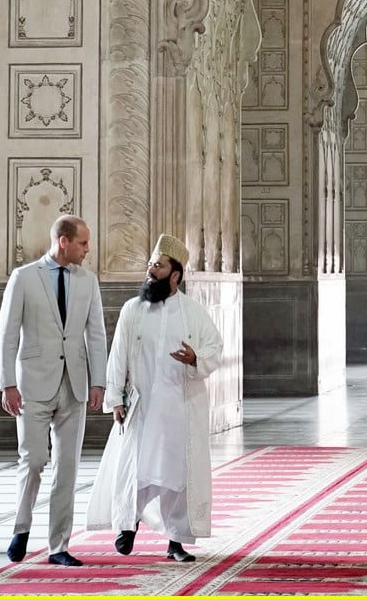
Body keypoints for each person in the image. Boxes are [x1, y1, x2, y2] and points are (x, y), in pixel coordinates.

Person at [86, 234, 224, 563]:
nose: (151, 271)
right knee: (135, 468)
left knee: (176, 475)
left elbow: (215, 349)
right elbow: (118, 356)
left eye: (158, 266)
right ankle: (127, 525)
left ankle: (175, 541)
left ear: (175, 275)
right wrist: (116, 398)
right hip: (142, 406)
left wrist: (194, 359)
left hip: (181, 408)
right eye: (150, 264)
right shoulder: (133, 310)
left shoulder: (192, 312)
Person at [0, 214, 107, 566]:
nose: (87, 250)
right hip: (31, 384)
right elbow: (8, 333)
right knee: (33, 461)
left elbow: (96, 334)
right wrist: (7, 383)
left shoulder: (88, 281)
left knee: (68, 467)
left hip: (74, 385)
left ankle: (59, 545)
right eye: (83, 243)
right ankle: (21, 528)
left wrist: (98, 381)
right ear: (63, 241)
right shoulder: (24, 278)